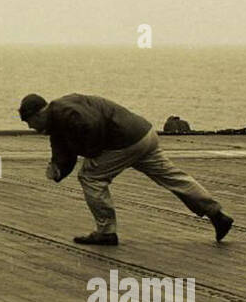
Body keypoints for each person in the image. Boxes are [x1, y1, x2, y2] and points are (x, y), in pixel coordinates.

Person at [18, 92, 233, 245]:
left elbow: (91, 126)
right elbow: (62, 148)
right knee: (172, 176)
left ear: (39, 114)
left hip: (125, 142)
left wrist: (92, 154)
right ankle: (216, 214)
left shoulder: (65, 112)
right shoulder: (59, 117)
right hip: (145, 135)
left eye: (29, 122)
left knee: (90, 177)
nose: (30, 128)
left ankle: (106, 232)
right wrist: (58, 169)